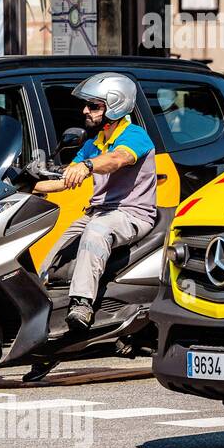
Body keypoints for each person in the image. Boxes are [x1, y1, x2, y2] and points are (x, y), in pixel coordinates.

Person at [36, 73, 158, 331]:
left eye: (93, 106)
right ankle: (39, 304)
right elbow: (64, 178)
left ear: (116, 105)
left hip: (131, 214)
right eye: (87, 105)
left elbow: (117, 159)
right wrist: (26, 183)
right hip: (98, 212)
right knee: (56, 247)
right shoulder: (95, 143)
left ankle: (82, 304)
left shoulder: (135, 136)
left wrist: (88, 166)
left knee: (95, 232)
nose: (85, 110)